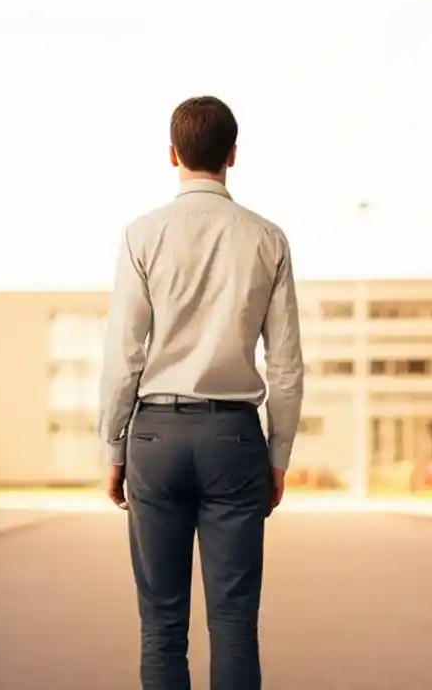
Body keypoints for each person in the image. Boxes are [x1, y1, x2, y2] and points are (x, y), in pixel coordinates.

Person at [98, 96, 304, 690]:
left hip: (156, 437)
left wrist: (114, 449)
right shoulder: (269, 238)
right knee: (235, 623)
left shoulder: (142, 235)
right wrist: (277, 456)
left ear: (172, 155)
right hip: (234, 438)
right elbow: (286, 363)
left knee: (161, 625)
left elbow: (123, 355)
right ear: (232, 155)